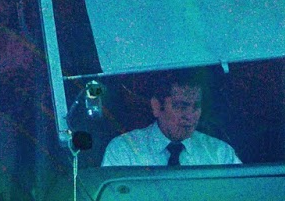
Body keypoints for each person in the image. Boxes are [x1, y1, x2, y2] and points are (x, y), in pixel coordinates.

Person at [101, 71, 240, 167]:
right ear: (156, 106)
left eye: (196, 107)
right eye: (181, 107)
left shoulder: (220, 154)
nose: (190, 116)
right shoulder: (124, 151)